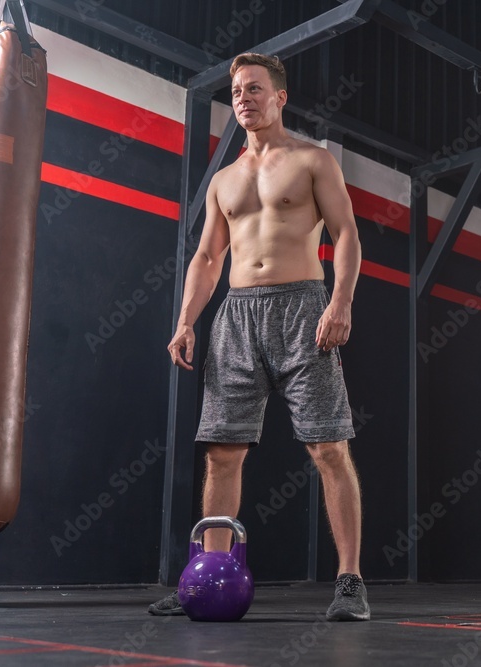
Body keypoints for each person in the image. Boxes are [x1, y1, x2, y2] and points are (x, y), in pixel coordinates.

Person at [148, 52, 368, 622]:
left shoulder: (313, 160)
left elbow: (346, 234)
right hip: (237, 318)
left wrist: (341, 301)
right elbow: (207, 256)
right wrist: (185, 319)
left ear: (280, 97)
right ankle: (207, 576)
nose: (243, 97)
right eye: (237, 91)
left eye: (254, 88)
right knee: (223, 454)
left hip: (304, 312)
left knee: (327, 448)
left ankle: (349, 580)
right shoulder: (224, 180)